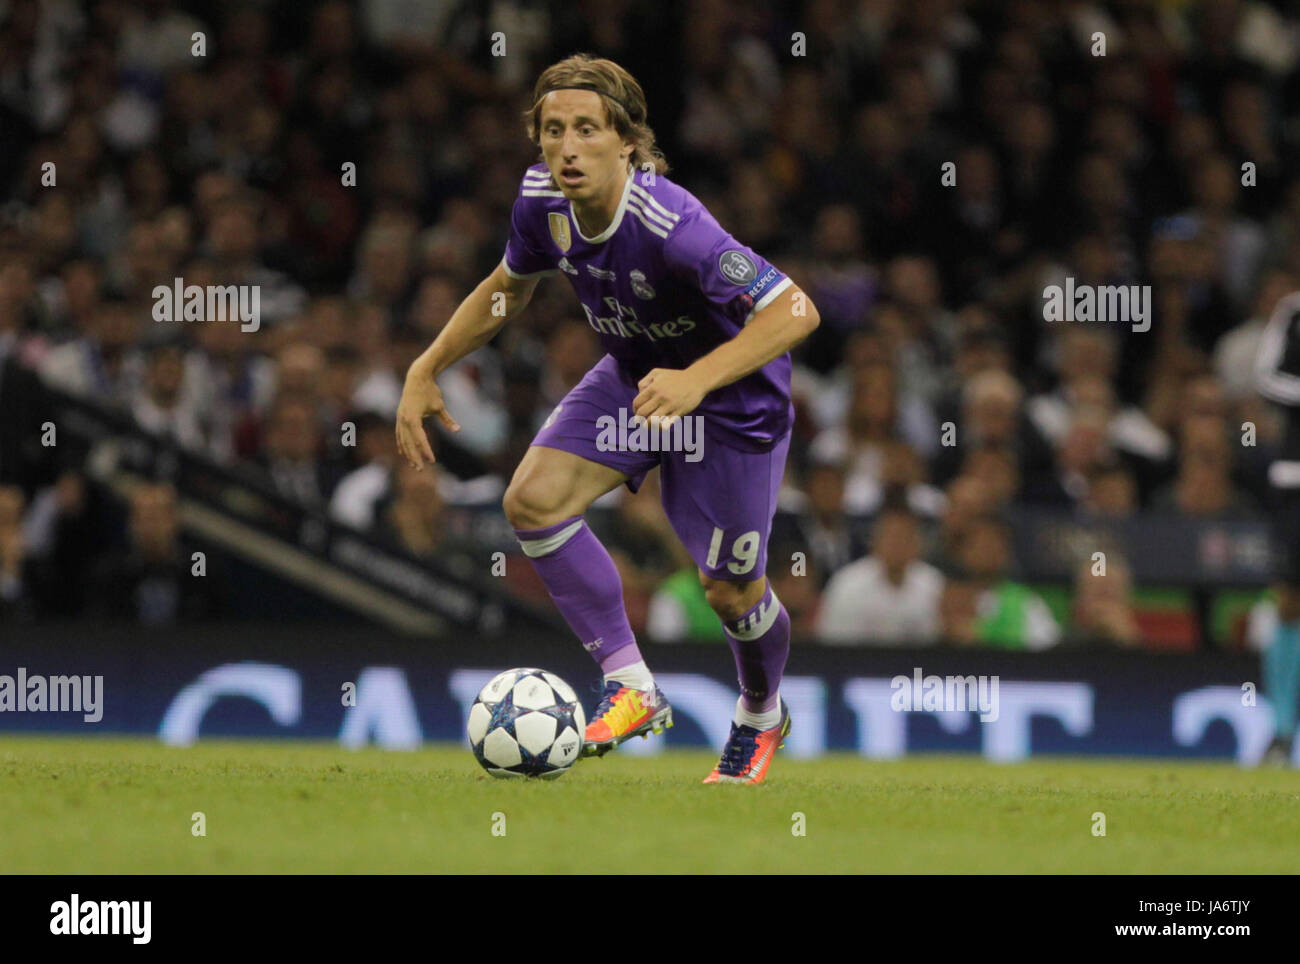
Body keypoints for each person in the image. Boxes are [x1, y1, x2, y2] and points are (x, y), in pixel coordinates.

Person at [396, 54, 820, 784]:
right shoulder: (539, 202)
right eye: (552, 130)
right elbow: (507, 290)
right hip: (634, 378)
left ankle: (760, 712)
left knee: (729, 591)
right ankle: (632, 687)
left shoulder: (672, 223)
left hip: (730, 401)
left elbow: (795, 309)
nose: (566, 147)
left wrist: (697, 379)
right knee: (532, 499)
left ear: (627, 140)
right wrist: (425, 366)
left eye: (587, 129)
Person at [1253, 290, 1300, 764]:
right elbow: (1267, 378)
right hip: (1296, 478)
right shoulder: (1294, 310)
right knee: (1289, 601)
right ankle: (1282, 732)